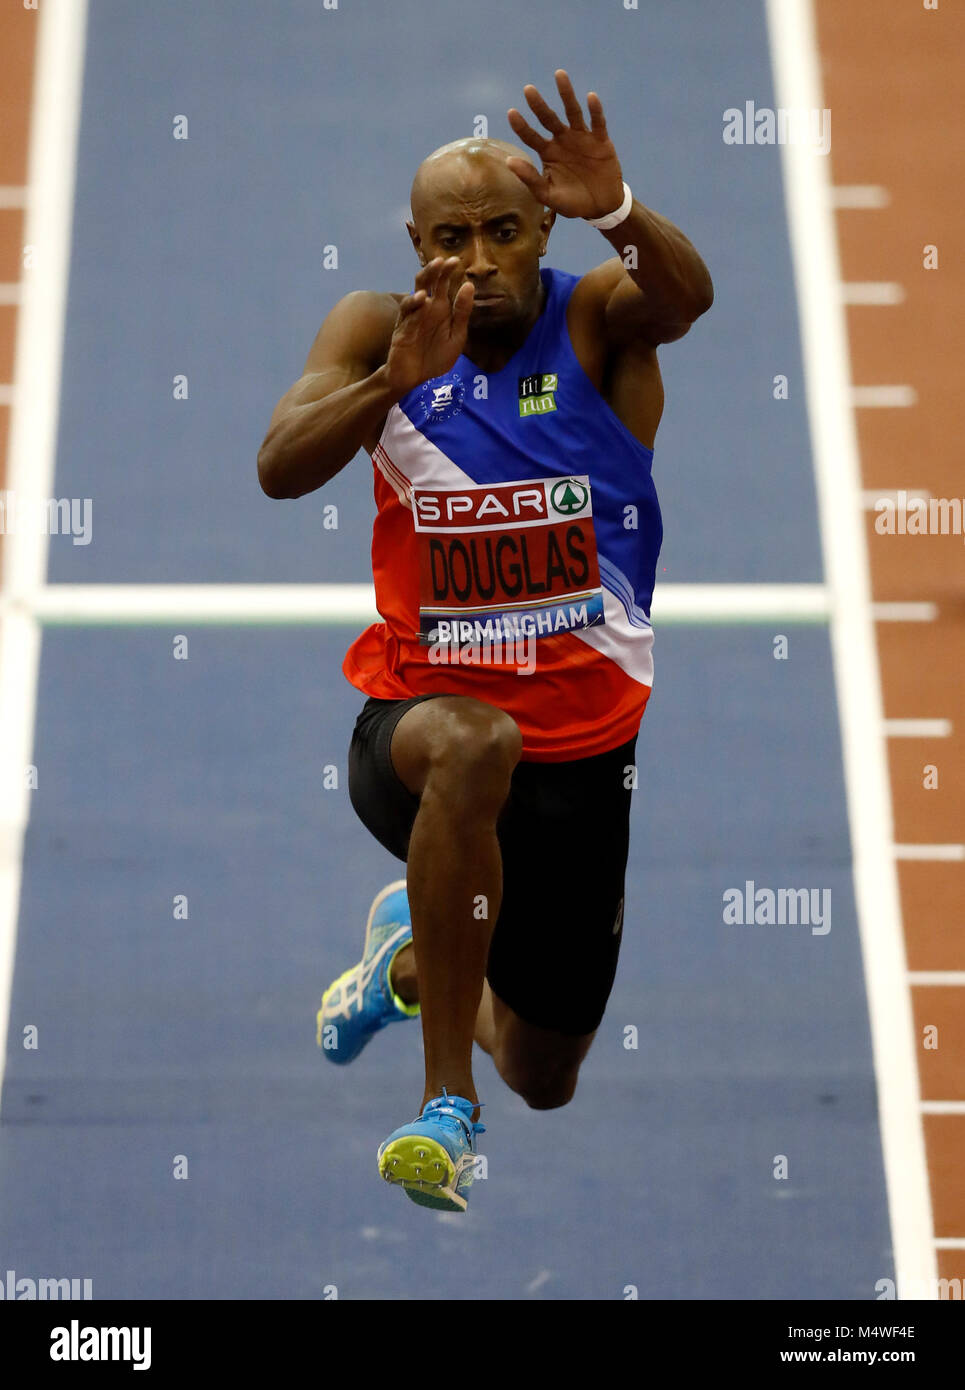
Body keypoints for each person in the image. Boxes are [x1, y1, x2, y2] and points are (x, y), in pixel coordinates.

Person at [257, 70, 713, 1212]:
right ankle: (442, 1109)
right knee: (473, 743)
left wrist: (620, 211)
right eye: (449, 237)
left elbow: (687, 298)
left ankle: (411, 959)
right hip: (415, 734)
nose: (475, 258)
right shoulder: (378, 328)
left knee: (545, 1073)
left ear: (540, 229)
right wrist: (386, 393)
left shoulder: (599, 317)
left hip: (583, 760)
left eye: (502, 232)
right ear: (416, 242)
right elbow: (278, 467)